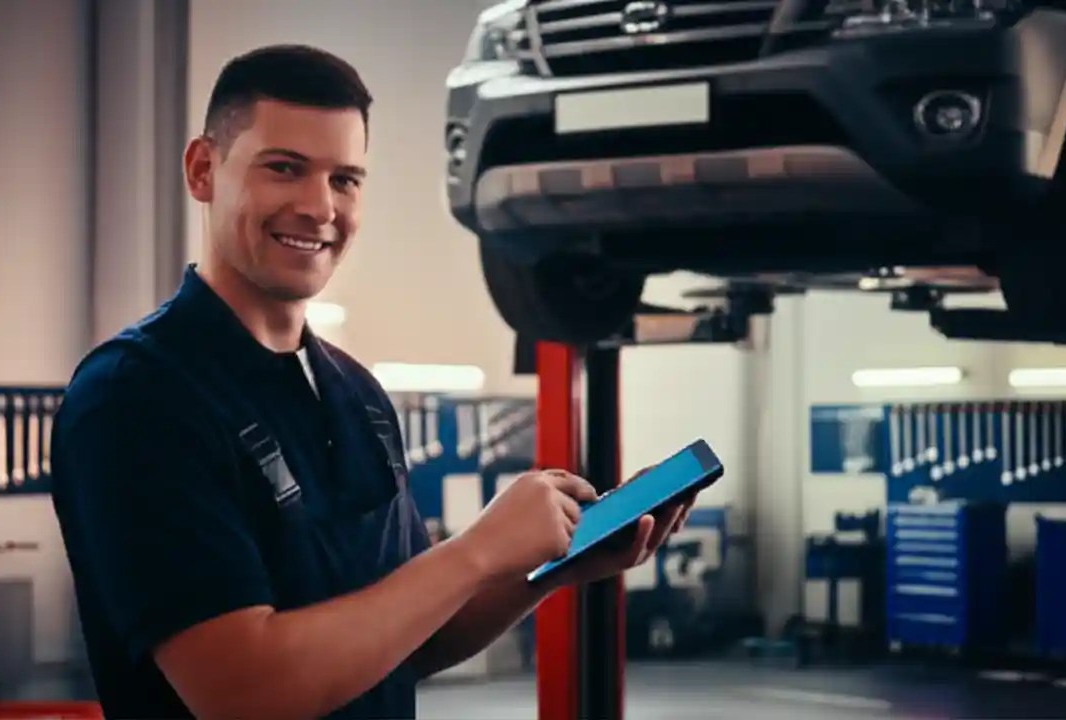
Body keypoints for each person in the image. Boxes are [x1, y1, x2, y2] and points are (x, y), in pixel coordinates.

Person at [49, 44, 696, 720]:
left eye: (345, 179)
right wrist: (477, 551)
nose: (318, 207)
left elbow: (413, 636)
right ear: (203, 170)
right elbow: (241, 692)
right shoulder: (136, 397)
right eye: (284, 168)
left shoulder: (357, 396)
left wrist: (548, 566)